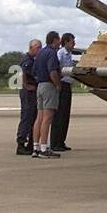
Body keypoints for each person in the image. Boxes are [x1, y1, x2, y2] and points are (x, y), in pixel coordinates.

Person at [31, 30, 62, 158]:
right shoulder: (51, 53)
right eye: (59, 39)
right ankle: (44, 148)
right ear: (54, 40)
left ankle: (36, 147)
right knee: (47, 118)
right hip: (49, 85)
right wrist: (57, 84)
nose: (60, 42)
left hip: (40, 85)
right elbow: (52, 71)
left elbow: (34, 71)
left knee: (39, 117)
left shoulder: (40, 53)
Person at [51, 32, 82, 153]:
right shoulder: (60, 53)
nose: (74, 44)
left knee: (65, 115)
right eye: (72, 41)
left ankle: (61, 141)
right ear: (66, 42)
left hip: (68, 84)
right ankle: (55, 143)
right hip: (62, 84)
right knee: (59, 115)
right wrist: (58, 84)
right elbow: (56, 68)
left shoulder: (69, 54)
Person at [16, 38, 41, 155]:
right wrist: (26, 85)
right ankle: (21, 144)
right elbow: (22, 73)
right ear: (31, 48)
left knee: (33, 116)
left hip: (33, 90)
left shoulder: (34, 60)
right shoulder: (27, 60)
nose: (39, 50)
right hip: (28, 92)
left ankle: (30, 143)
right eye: (38, 48)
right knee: (27, 116)